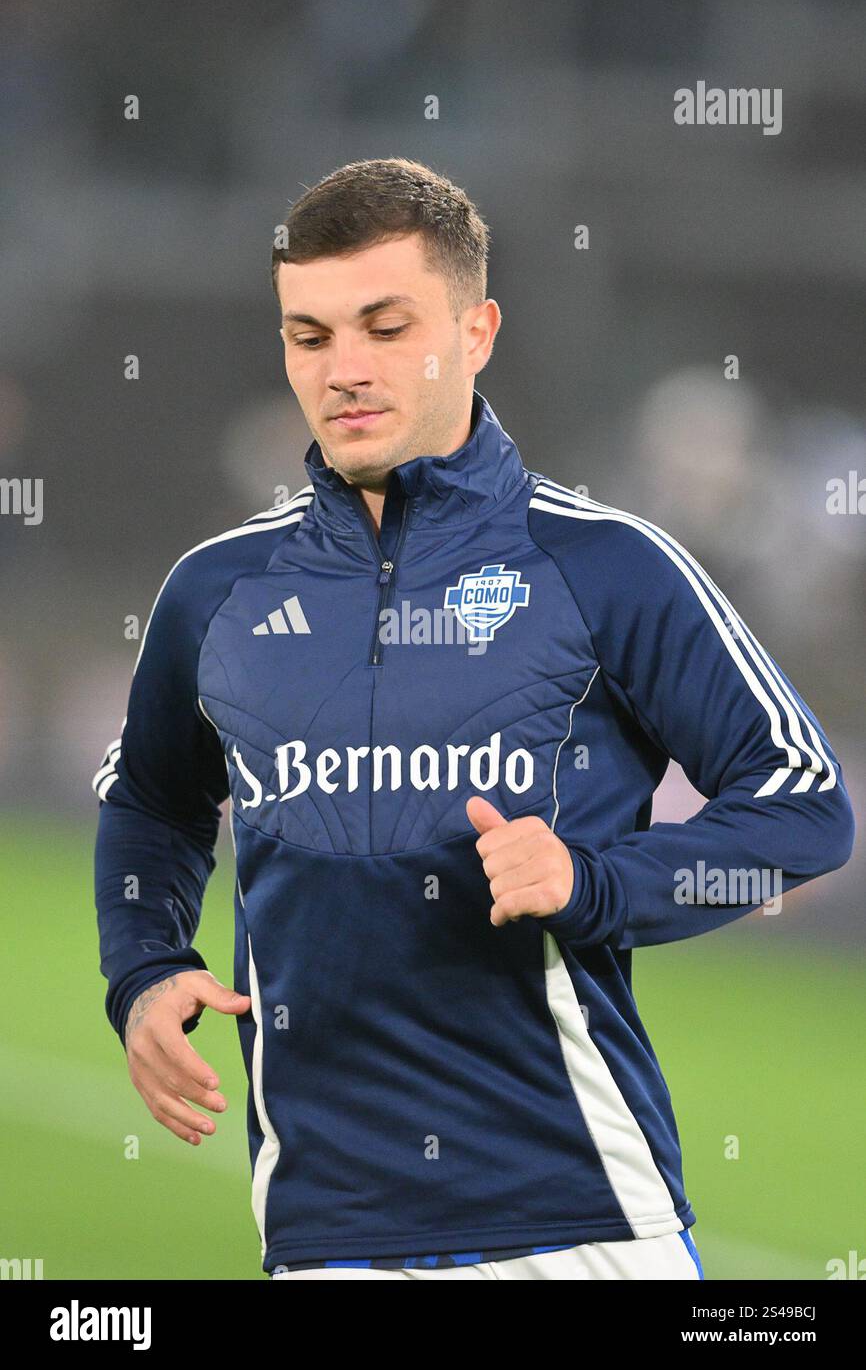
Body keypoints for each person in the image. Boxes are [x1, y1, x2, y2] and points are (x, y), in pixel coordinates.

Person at [92, 157, 854, 1281]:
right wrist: (144, 965)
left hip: (583, 1221)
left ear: (477, 329)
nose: (343, 370)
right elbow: (151, 801)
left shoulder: (606, 566)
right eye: (309, 336)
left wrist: (598, 884)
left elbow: (805, 815)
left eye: (386, 326)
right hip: (321, 1231)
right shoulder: (217, 591)